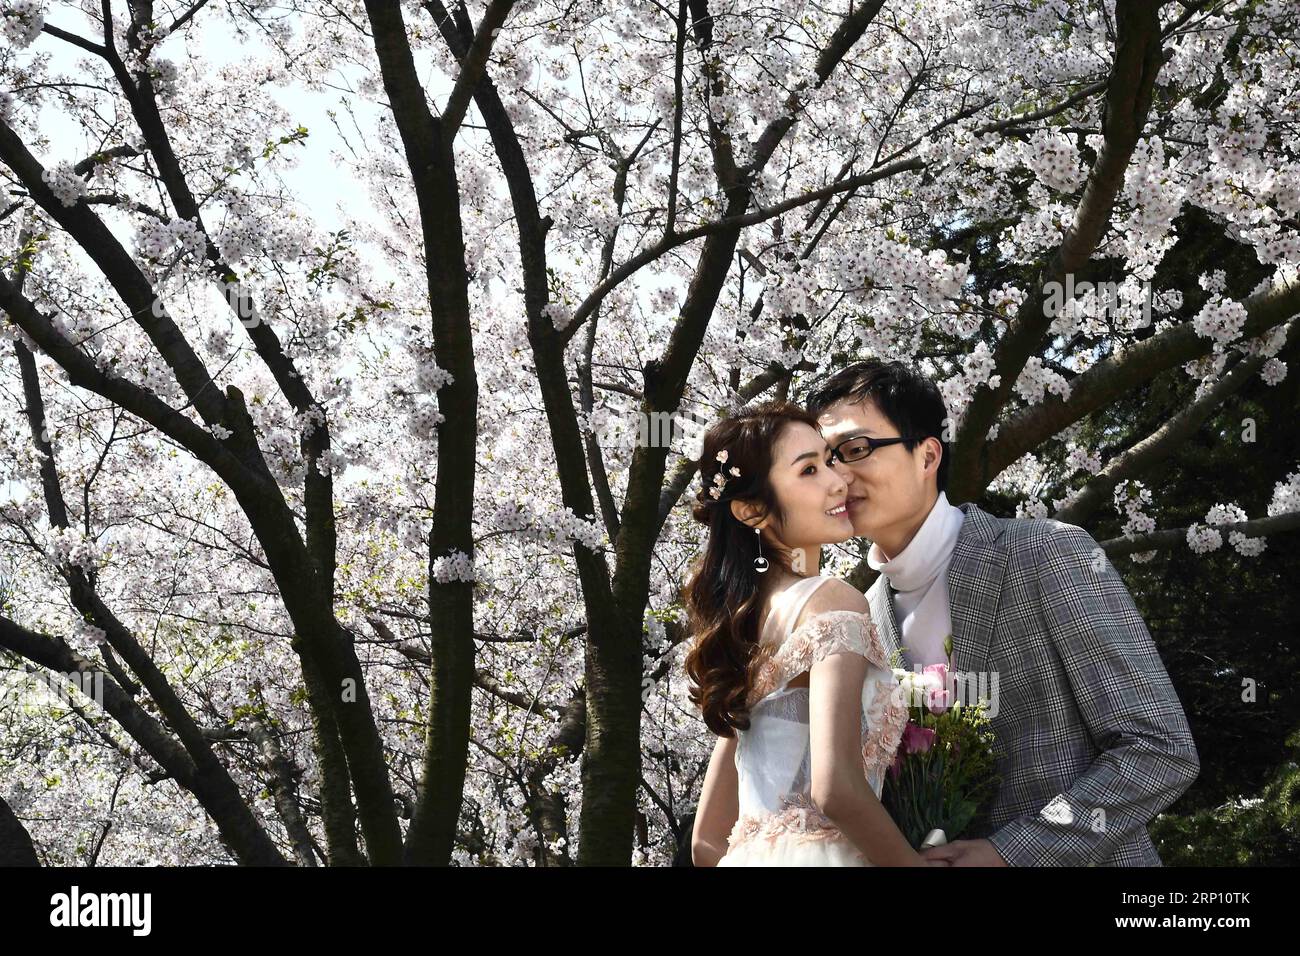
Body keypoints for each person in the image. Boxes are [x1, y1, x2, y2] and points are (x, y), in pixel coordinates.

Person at [803, 358, 1201, 866]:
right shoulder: (857, 619)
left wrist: (1011, 853)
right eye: (822, 460)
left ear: (926, 456)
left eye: (855, 450)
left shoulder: (1046, 552)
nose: (838, 476)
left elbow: (1159, 747)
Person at [685, 399, 932, 866]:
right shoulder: (831, 600)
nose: (838, 480)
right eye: (809, 471)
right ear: (752, 510)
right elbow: (835, 789)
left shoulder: (748, 632)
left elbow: (706, 843)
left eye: (830, 461)